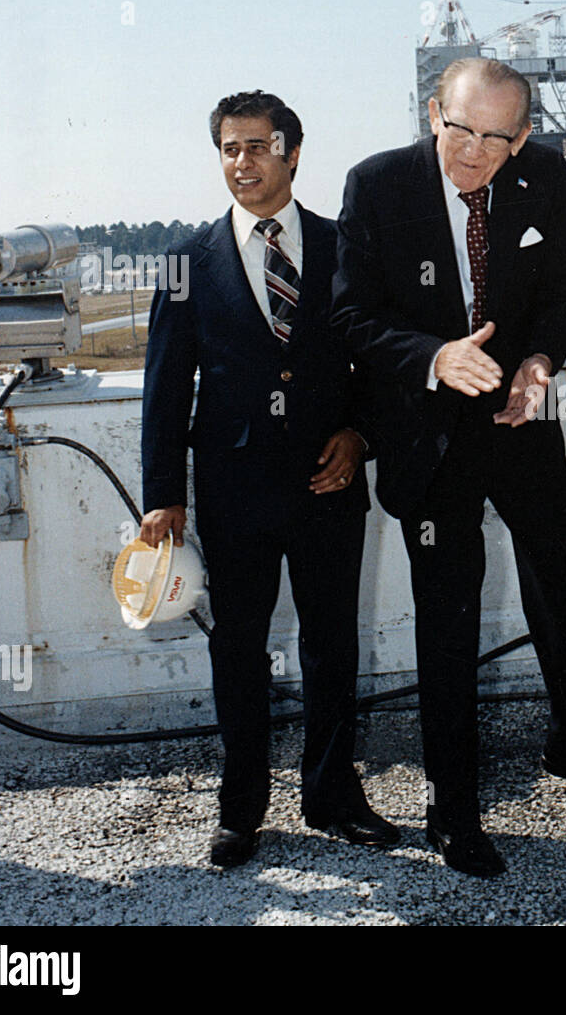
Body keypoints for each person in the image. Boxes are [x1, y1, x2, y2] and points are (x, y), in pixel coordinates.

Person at [331, 57, 566, 878]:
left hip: (518, 418)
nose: (472, 152)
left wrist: (540, 359)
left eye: (496, 138)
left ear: (526, 136)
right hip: (428, 432)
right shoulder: (376, 185)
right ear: (433, 110)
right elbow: (350, 315)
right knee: (450, 616)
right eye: (459, 129)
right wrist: (434, 355)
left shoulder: (543, 175)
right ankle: (453, 803)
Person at [141, 90, 397, 867]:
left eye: (256, 146)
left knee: (331, 646)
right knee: (239, 650)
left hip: (328, 484)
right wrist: (163, 497)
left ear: (291, 150)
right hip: (233, 492)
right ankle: (241, 808)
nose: (242, 163)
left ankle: (332, 797)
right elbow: (164, 385)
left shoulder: (343, 242)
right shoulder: (187, 264)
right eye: (229, 148)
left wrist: (361, 435)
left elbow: (380, 360)